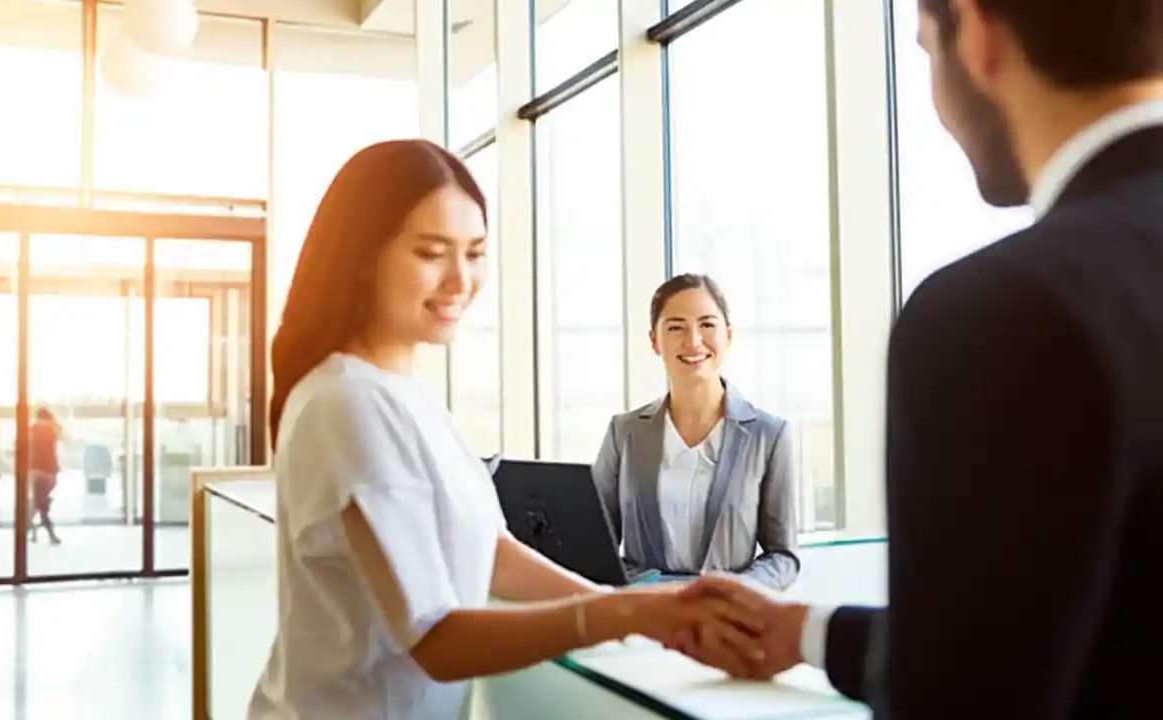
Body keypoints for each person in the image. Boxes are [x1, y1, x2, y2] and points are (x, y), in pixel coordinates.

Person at [676, 0, 1163, 716]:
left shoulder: (1001, 311)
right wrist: (809, 632)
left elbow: (966, 693)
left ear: (978, 31)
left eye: (927, 49)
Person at [247, 140, 769, 720]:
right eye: (431, 253)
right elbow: (436, 639)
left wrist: (634, 611)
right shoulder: (347, 403)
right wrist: (627, 614)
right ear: (360, 255)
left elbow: (490, 552)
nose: (460, 280)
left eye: (475, 253)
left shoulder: (407, 395)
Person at [592, 274, 798, 589]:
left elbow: (783, 556)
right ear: (654, 341)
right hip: (646, 610)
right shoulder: (624, 433)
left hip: (726, 613)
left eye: (707, 325)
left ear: (728, 336)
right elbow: (594, 544)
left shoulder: (769, 436)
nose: (693, 341)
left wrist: (738, 590)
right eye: (676, 327)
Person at [28, 408, 61, 545]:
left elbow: (29, 453)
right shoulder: (51, 432)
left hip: (37, 472)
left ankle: (30, 528)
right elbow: (53, 455)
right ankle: (48, 532)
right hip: (48, 473)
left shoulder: (32, 431)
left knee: (39, 504)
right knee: (41, 504)